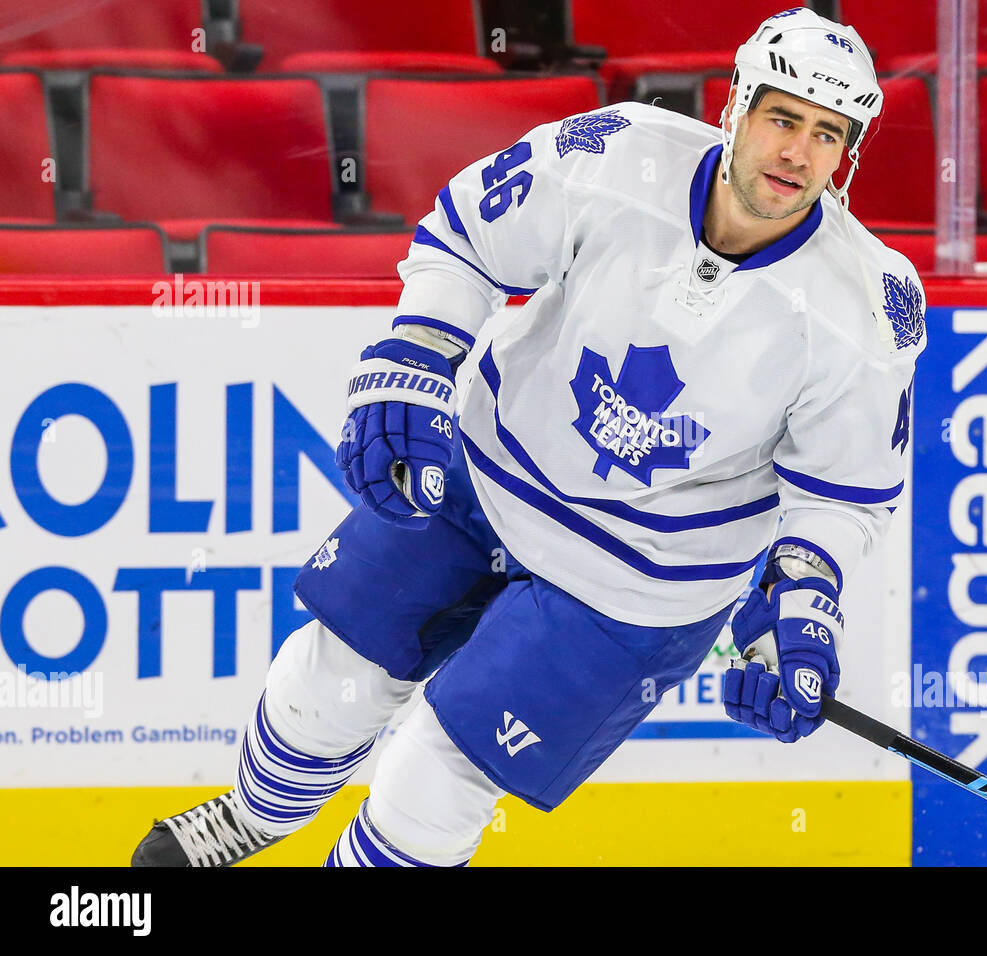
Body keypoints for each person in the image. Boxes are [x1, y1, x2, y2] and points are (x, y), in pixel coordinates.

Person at [131, 6, 927, 868]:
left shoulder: (870, 305)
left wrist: (804, 597)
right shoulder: (620, 152)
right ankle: (252, 820)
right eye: (782, 118)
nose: (797, 155)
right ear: (735, 105)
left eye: (826, 134)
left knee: (432, 782)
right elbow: (468, 233)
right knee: (330, 680)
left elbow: (843, 494)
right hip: (490, 474)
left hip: (641, 583)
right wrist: (419, 351)